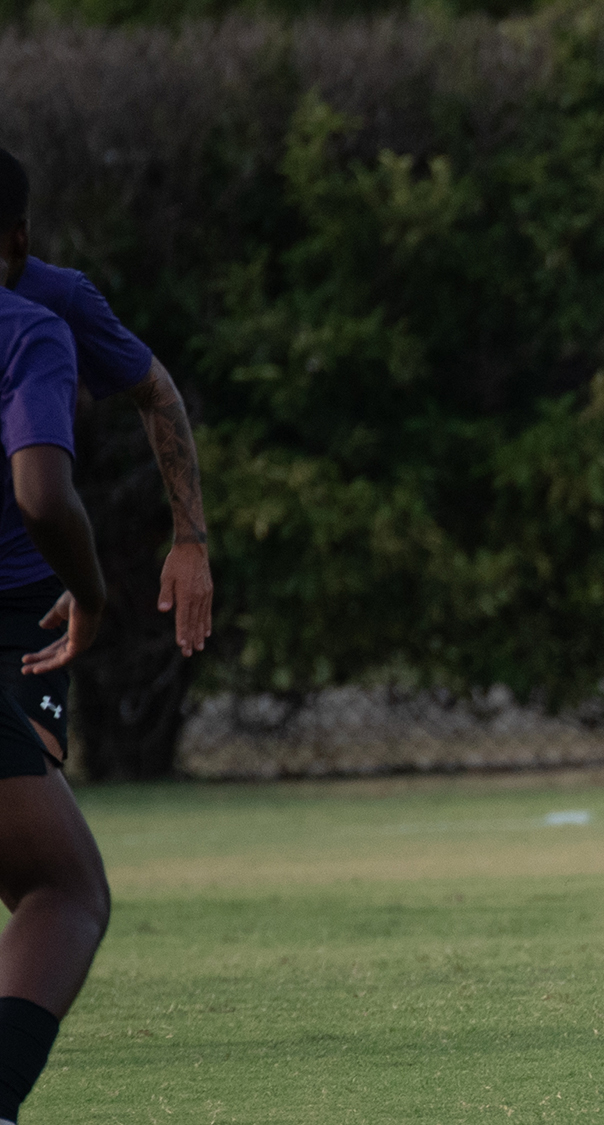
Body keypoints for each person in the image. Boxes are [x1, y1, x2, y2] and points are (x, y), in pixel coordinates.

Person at [0, 148, 210, 766]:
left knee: (30, 775)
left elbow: (156, 391)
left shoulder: (55, 304)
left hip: (24, 600)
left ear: (19, 238)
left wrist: (190, 539)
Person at [0, 200, 114, 1124]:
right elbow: (42, 493)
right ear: (16, 241)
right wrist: (91, 588)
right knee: (63, 888)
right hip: (20, 620)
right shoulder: (27, 328)